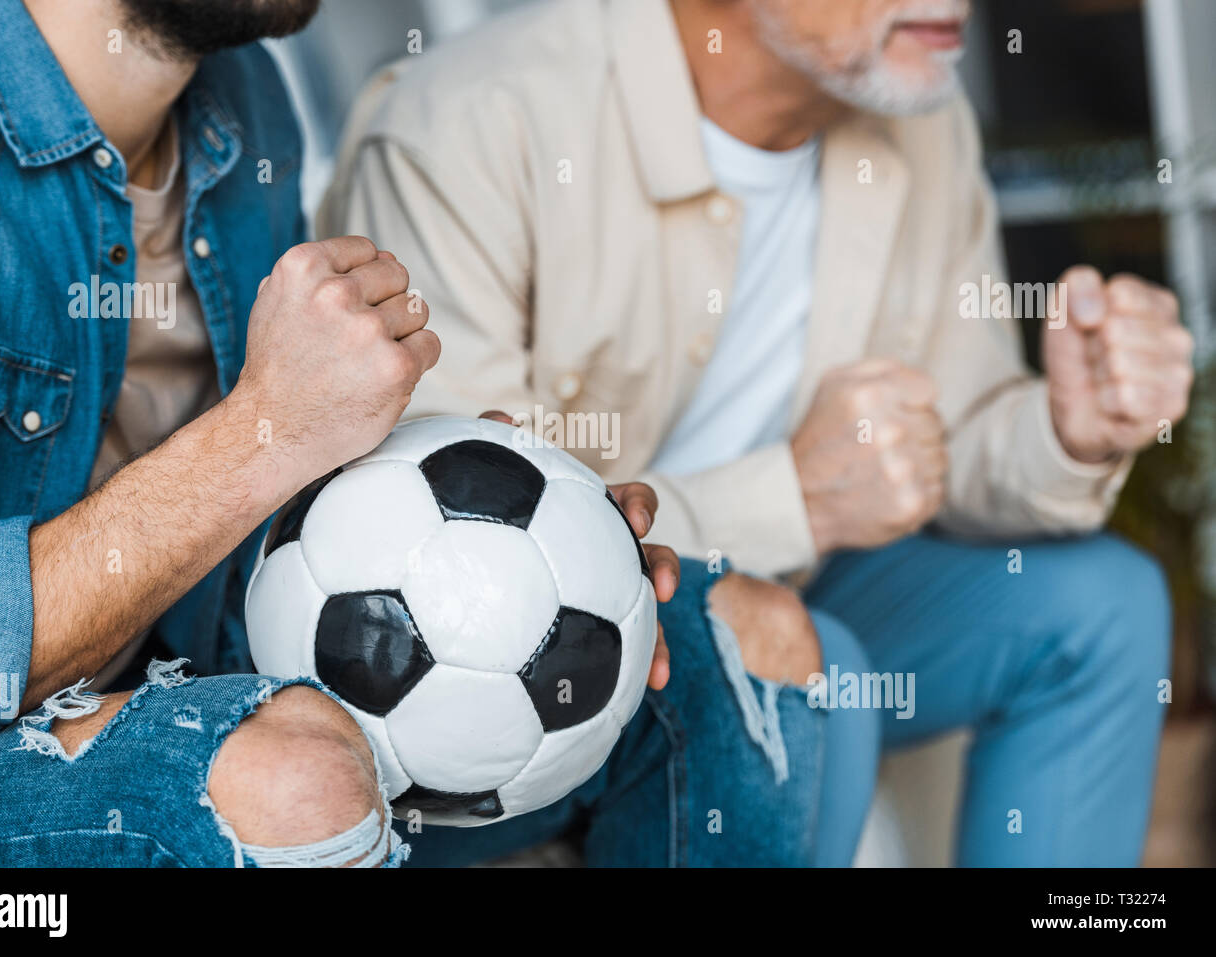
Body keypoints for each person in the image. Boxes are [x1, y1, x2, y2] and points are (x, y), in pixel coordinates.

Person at [322, 0, 1194, 865]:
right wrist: (796, 499)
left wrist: (1067, 430)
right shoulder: (473, 121)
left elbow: (946, 439)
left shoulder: (918, 116)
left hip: (809, 587)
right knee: (798, 664)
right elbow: (466, 564)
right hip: (528, 669)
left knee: (1102, 603)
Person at [0, 0, 678, 868]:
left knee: (699, 643)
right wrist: (263, 435)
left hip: (156, 697)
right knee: (298, 779)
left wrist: (508, 545)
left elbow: (248, 554)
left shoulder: (244, 96)